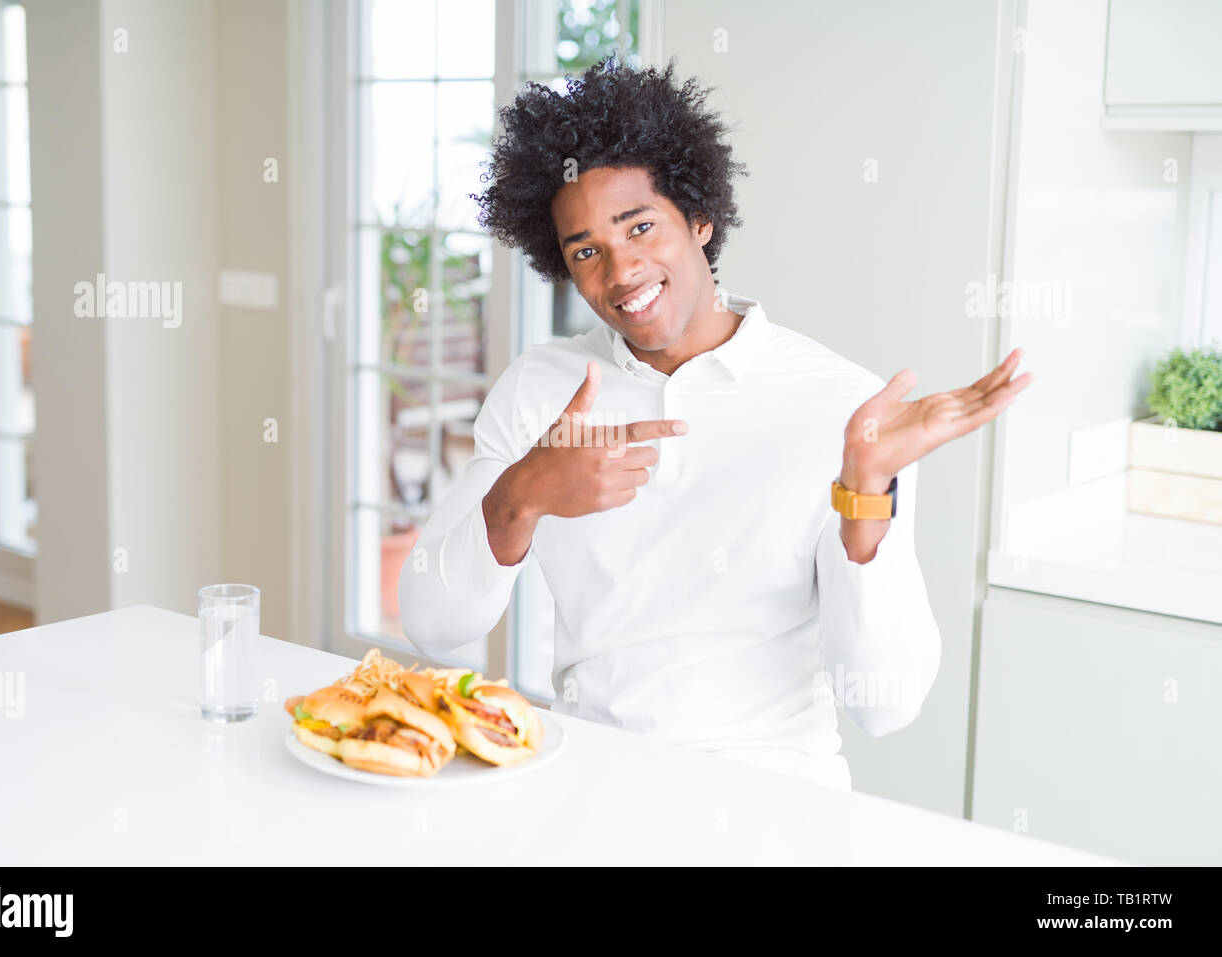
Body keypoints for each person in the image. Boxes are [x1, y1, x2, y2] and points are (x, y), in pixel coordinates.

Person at [398, 53, 1033, 791]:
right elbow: (432, 622)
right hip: (595, 791)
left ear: (699, 218)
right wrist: (525, 491)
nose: (621, 270)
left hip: (778, 802)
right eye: (586, 250)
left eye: (640, 226)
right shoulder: (539, 390)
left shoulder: (847, 409)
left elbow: (886, 705)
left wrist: (865, 491)